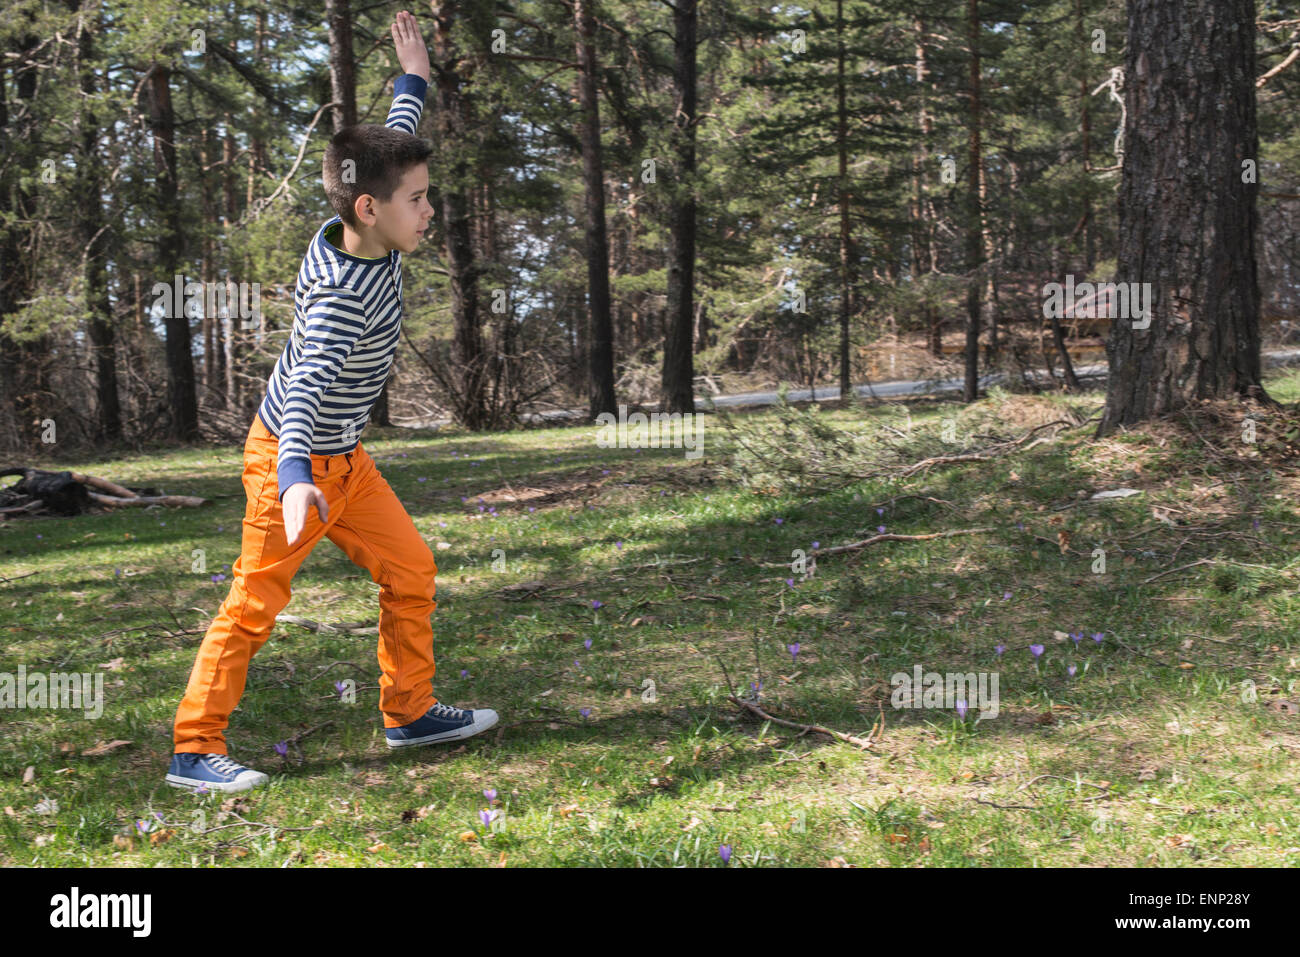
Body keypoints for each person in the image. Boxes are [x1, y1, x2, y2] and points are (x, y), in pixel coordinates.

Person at [165, 10, 496, 794]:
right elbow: (307, 386)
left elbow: (392, 142)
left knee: (411, 568)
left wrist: (412, 77)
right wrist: (290, 480)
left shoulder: (368, 218)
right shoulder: (338, 300)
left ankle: (409, 711)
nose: (429, 210)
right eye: (417, 200)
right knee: (255, 601)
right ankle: (192, 747)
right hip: (294, 459)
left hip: (344, 459)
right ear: (371, 210)